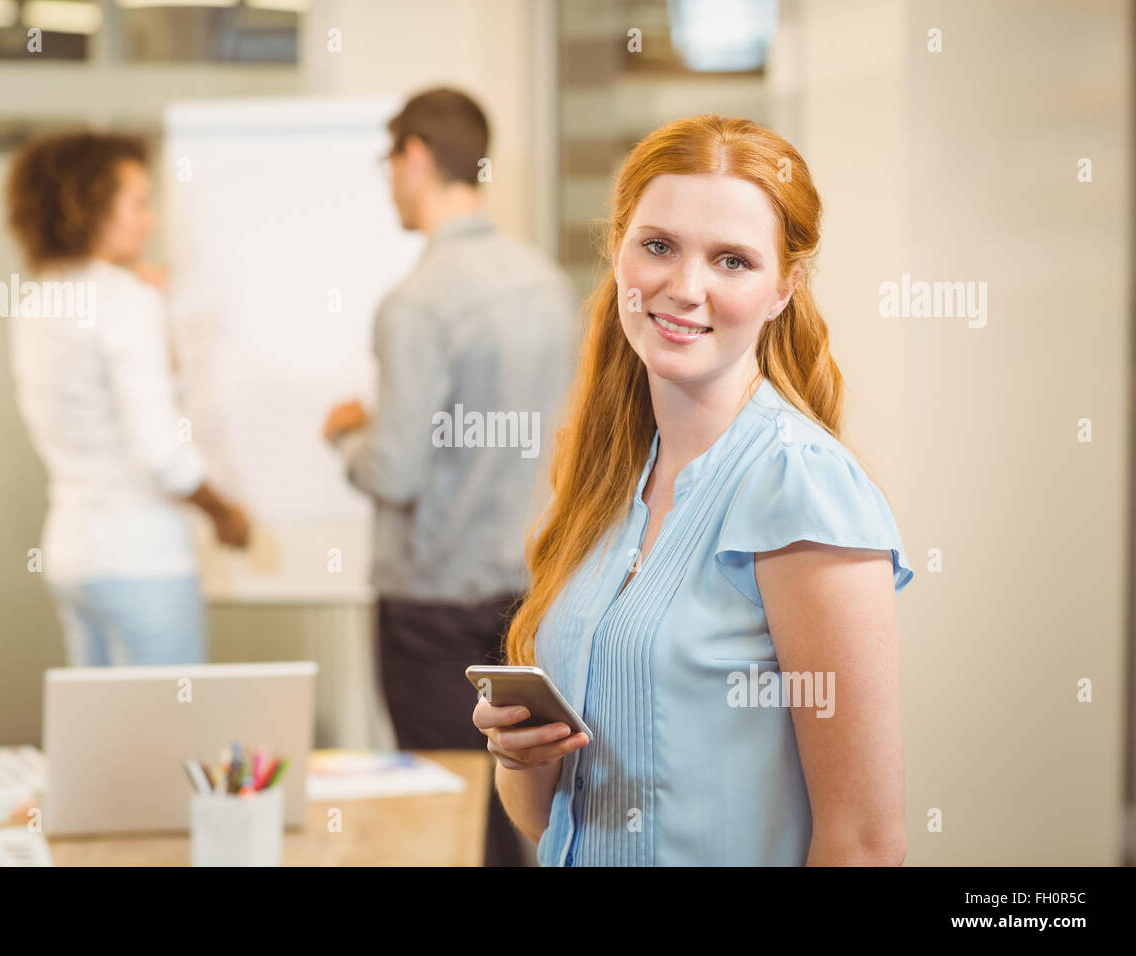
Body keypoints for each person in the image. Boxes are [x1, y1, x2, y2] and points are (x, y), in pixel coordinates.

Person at [476, 113, 915, 866]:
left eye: (733, 262)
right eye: (658, 247)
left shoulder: (800, 487)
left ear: (783, 289)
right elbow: (546, 823)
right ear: (618, 252)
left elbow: (866, 844)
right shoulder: (605, 483)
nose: (684, 288)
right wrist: (523, 755)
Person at [323, 88, 578, 867]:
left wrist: (347, 436)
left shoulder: (417, 304)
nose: (391, 183)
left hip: (430, 614)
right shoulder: (549, 287)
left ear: (416, 158)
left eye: (390, 164)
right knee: (521, 814)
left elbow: (396, 470)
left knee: (449, 822)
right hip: (528, 597)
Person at [5, 131, 250, 668]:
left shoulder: (37, 302)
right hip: (143, 559)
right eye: (138, 202)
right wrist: (224, 512)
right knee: (169, 737)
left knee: (100, 739)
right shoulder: (125, 301)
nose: (151, 220)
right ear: (92, 207)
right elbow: (162, 453)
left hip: (73, 556)